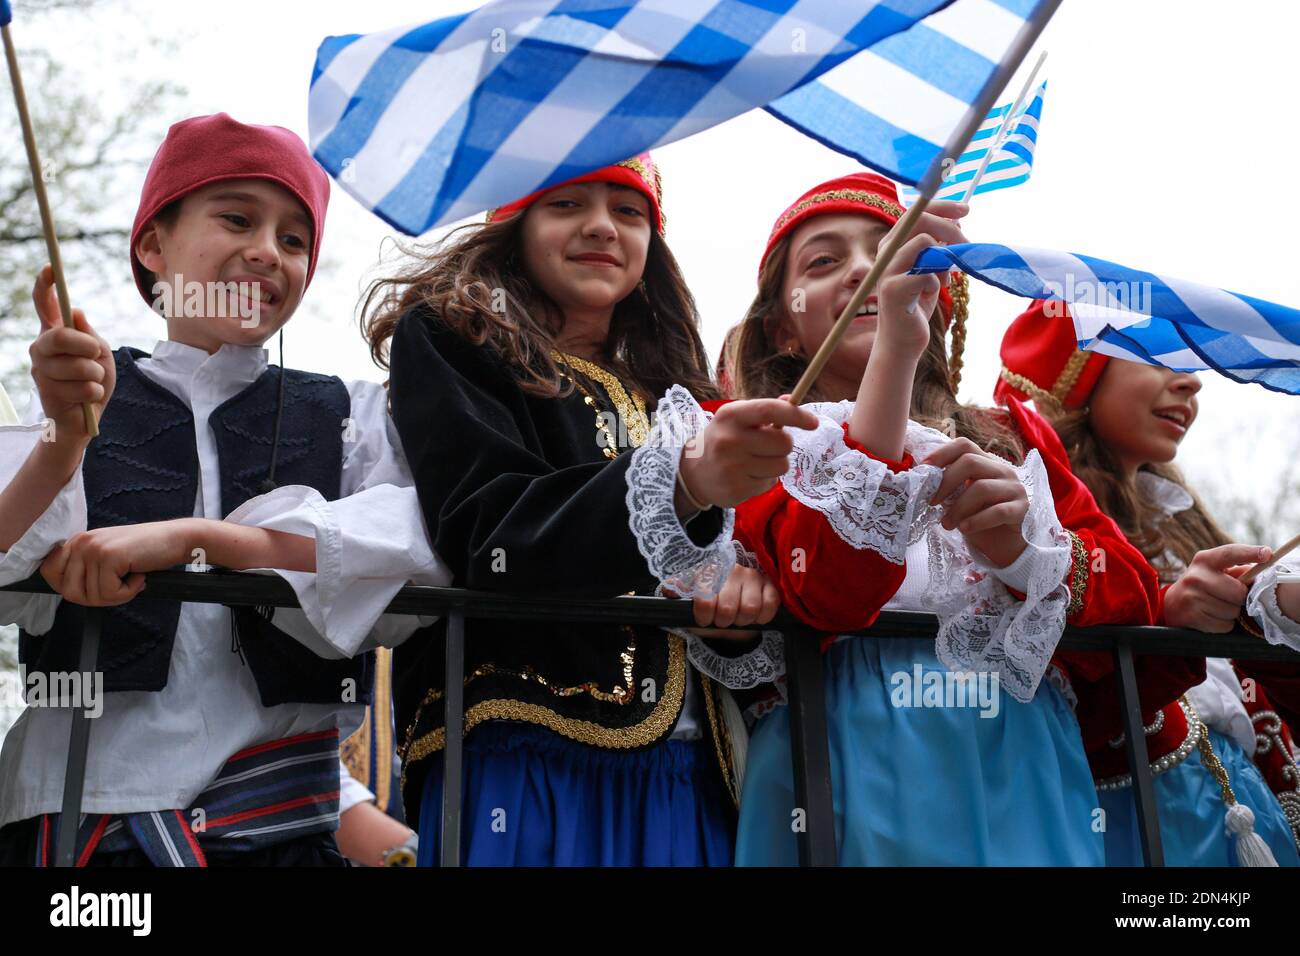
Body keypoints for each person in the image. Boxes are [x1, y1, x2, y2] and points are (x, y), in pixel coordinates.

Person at [0, 113, 446, 866]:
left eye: (294, 239)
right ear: (152, 245)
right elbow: (11, 573)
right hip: (83, 820)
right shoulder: (60, 404)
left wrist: (209, 539)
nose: (267, 251)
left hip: (281, 828)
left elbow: (416, 547)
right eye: (236, 217)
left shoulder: (354, 417)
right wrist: (64, 441)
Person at [364, 152, 816, 865]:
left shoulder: (682, 395)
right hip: (523, 753)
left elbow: (714, 590)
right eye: (568, 203)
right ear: (514, 223)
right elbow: (490, 532)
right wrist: (683, 482)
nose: (603, 227)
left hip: (692, 777)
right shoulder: (452, 339)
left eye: (629, 211)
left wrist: (736, 611)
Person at [713, 172, 1161, 865]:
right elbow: (830, 591)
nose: (864, 271)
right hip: (848, 750)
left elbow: (1135, 598)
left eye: (888, 255)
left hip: (1023, 760)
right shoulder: (763, 441)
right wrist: (893, 353)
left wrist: (1021, 552)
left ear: (934, 299)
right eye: (824, 262)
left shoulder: (1014, 435)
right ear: (783, 329)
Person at [995, 299, 1300, 865]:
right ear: (1074, 370)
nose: (1190, 382)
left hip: (1230, 811)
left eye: (1186, 361)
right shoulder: (1033, 523)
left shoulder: (1187, 529)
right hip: (1118, 825)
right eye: (1155, 356)